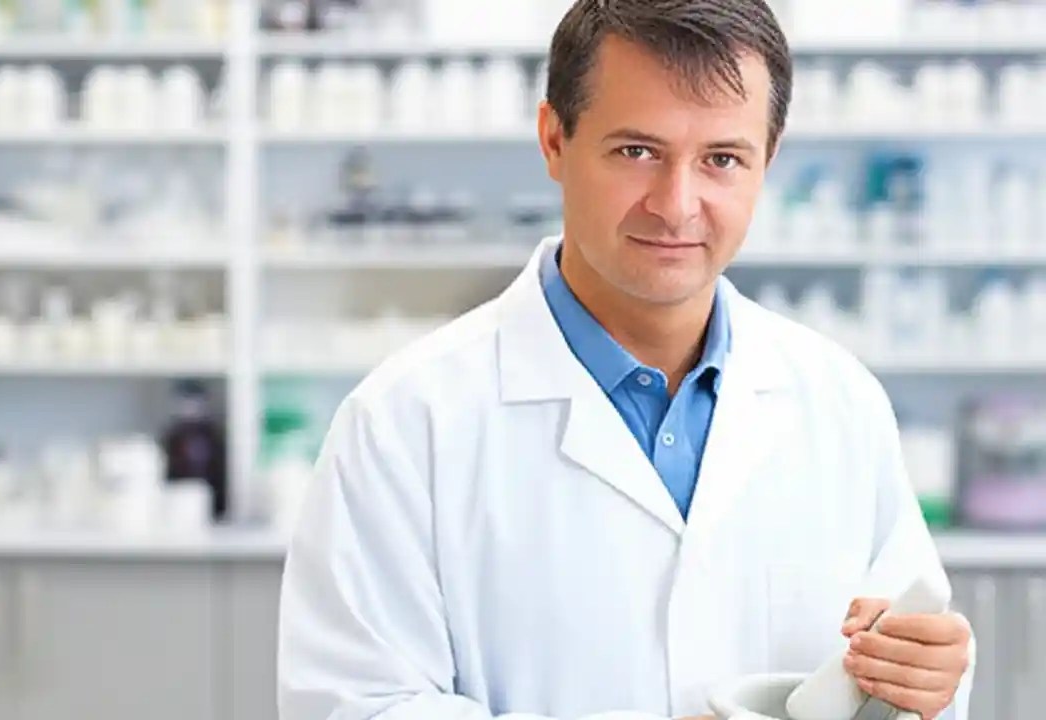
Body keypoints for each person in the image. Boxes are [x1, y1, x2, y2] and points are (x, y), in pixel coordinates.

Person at [277, 1, 974, 718]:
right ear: (554, 140)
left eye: (722, 159)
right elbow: (357, 707)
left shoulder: (839, 401)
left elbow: (893, 679)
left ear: (769, 158)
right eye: (637, 151)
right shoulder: (404, 421)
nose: (677, 206)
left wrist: (926, 682)